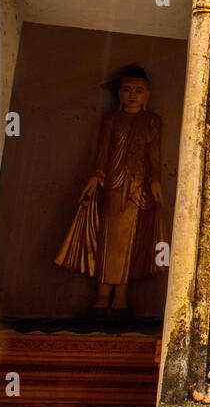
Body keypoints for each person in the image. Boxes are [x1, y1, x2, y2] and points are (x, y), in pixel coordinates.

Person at [56, 66, 167, 312]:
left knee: (130, 243)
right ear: (119, 94)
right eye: (127, 90)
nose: (132, 95)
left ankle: (121, 297)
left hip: (138, 188)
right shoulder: (112, 119)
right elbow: (103, 151)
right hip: (113, 185)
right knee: (107, 240)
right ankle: (103, 294)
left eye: (138, 91)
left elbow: (154, 155)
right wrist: (96, 176)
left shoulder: (152, 121)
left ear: (147, 95)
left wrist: (155, 180)